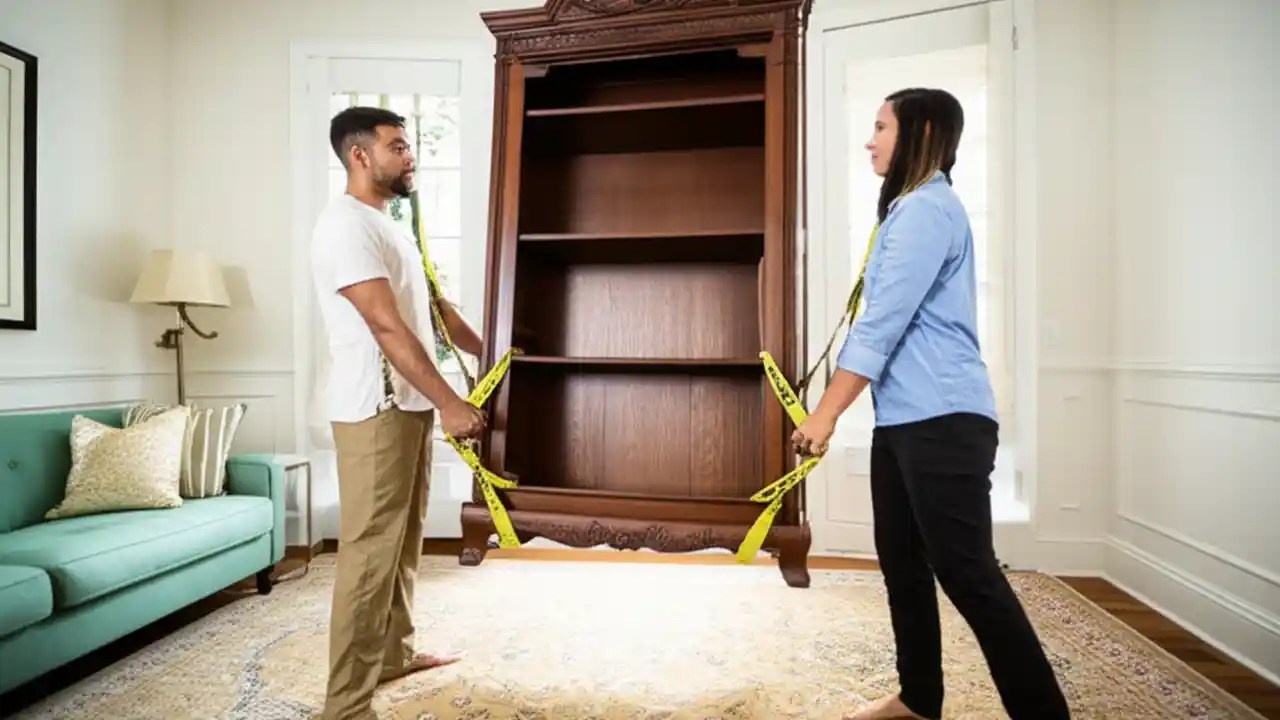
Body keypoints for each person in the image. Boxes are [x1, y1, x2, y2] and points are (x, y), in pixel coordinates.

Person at [791, 88, 1071, 720]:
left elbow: (882, 324)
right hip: (906, 420)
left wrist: (826, 411)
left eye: (880, 127)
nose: (870, 140)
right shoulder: (910, 210)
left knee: (969, 576)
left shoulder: (924, 211)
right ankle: (919, 699)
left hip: (943, 420)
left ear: (918, 133)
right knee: (903, 566)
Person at [310, 106, 486, 720]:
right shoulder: (344, 227)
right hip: (375, 409)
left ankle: (393, 654)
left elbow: (433, 311)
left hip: (407, 406)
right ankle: (346, 704)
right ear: (361, 155)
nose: (410, 156)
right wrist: (451, 401)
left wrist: (500, 351)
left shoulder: (391, 226)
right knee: (368, 551)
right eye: (398, 146)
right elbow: (385, 325)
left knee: (403, 538)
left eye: (410, 146)